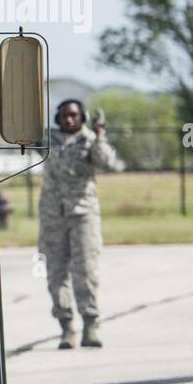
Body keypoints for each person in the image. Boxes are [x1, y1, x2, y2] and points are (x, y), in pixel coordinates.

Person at [38, 99, 124, 348]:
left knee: (85, 271)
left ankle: (90, 323)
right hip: (53, 217)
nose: (69, 120)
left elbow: (108, 164)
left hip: (83, 216)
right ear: (58, 118)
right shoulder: (48, 139)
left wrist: (100, 137)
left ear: (83, 117)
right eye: (64, 115)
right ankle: (66, 327)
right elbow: (17, 134)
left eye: (74, 115)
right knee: (56, 273)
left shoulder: (90, 140)